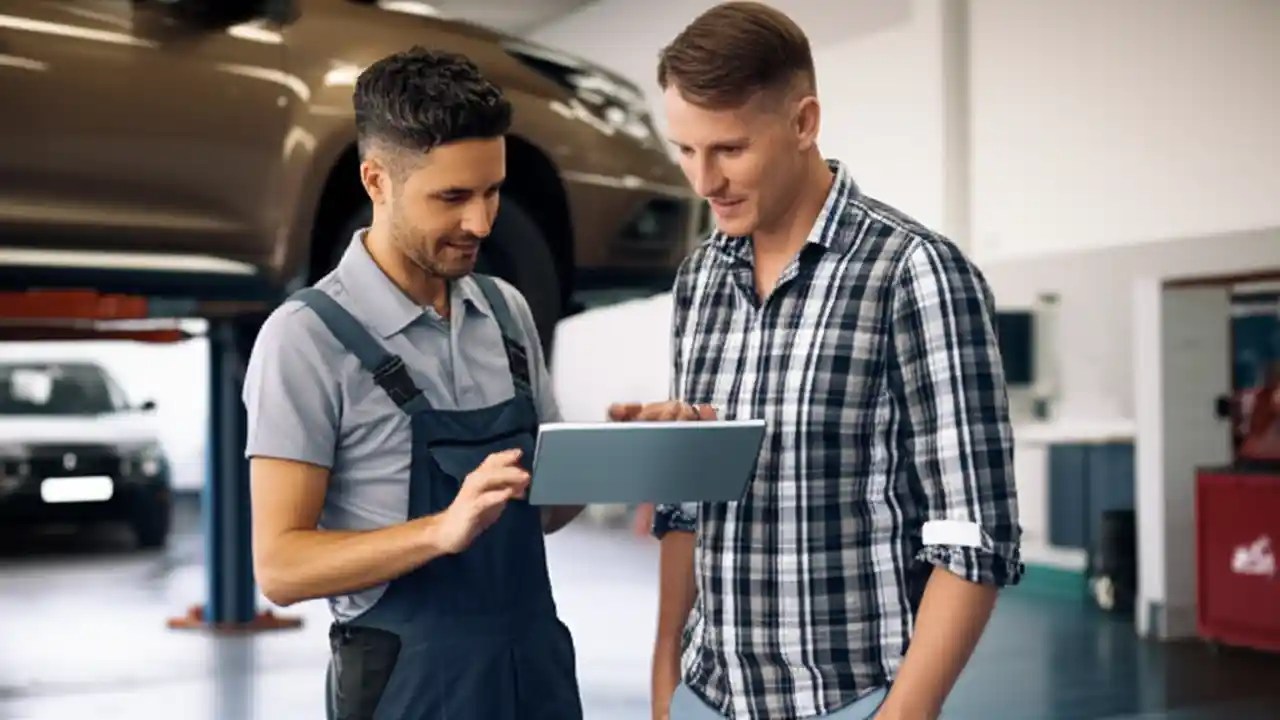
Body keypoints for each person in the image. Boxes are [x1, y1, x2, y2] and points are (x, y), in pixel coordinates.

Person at [608, 4, 1024, 719]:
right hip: (707, 693)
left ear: (803, 122)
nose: (704, 181)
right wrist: (665, 681)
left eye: (729, 149)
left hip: (851, 699)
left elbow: (973, 533)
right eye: (686, 150)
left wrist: (902, 713)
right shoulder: (700, 279)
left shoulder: (914, 273)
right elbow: (687, 505)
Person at [241, 47, 584, 720]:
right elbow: (280, 567)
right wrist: (439, 531)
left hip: (534, 677)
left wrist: (625, 454)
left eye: (492, 191)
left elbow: (542, 513)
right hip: (408, 690)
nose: (481, 223)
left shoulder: (507, 313)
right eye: (452, 197)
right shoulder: (306, 339)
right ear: (377, 181)